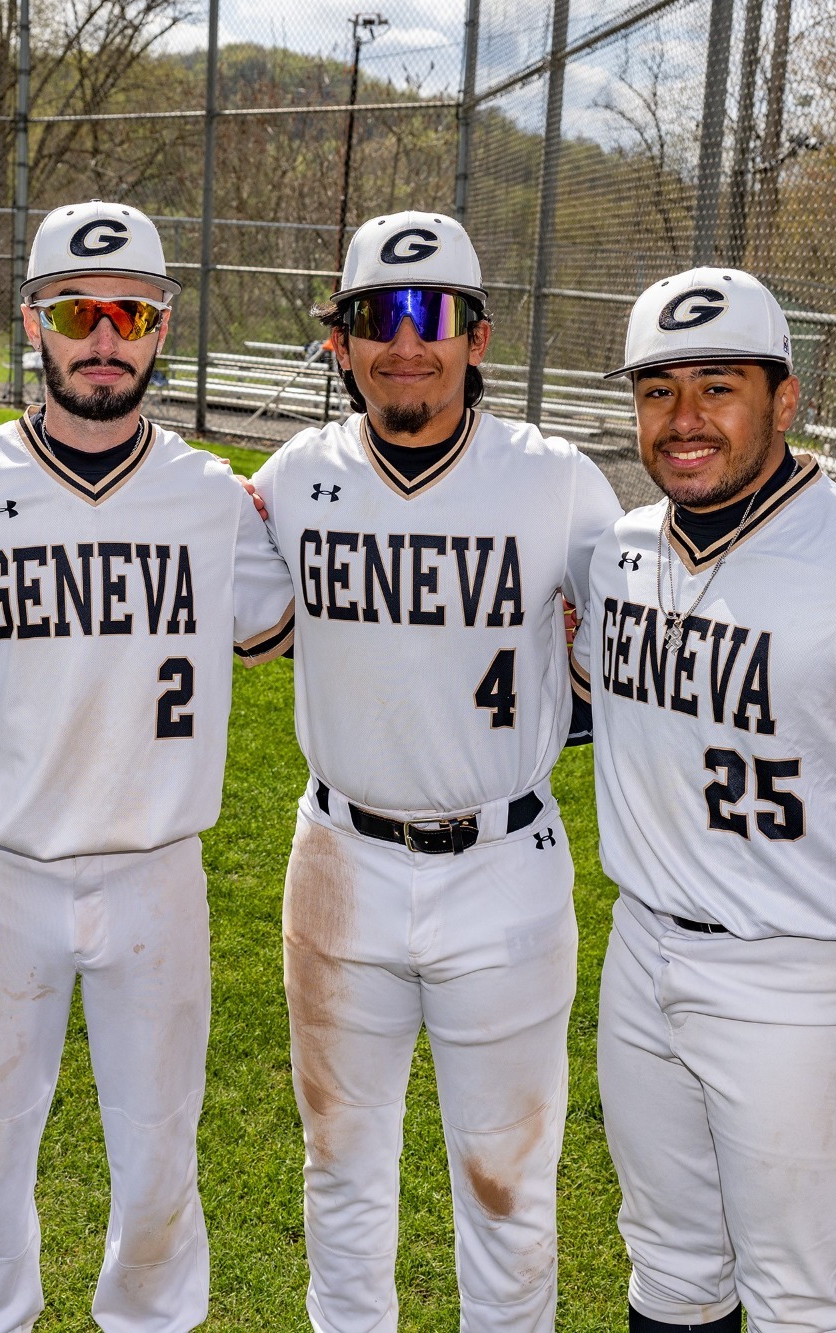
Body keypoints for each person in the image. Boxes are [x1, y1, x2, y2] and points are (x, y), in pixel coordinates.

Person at [580, 268, 836, 1332]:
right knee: (669, 1269)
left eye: (717, 387)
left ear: (784, 397)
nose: (682, 420)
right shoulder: (621, 554)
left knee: (804, 1300)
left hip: (804, 982)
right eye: (656, 391)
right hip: (642, 952)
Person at [0, 201, 294, 1333]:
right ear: (34, 324)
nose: (104, 336)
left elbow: (322, 623)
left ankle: (151, 1320)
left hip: (156, 870)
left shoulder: (215, 499)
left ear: (163, 327)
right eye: (78, 311)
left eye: (131, 311)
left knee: (161, 1143)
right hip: (3, 866)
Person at [249, 212, 622, 1331]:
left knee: (507, 1185)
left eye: (432, 315)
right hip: (339, 857)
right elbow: (235, 612)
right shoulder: (294, 473)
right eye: (378, 317)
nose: (404, 342)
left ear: (476, 336)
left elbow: (629, 662)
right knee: (338, 1163)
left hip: (502, 861)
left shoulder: (557, 482)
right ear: (340, 341)